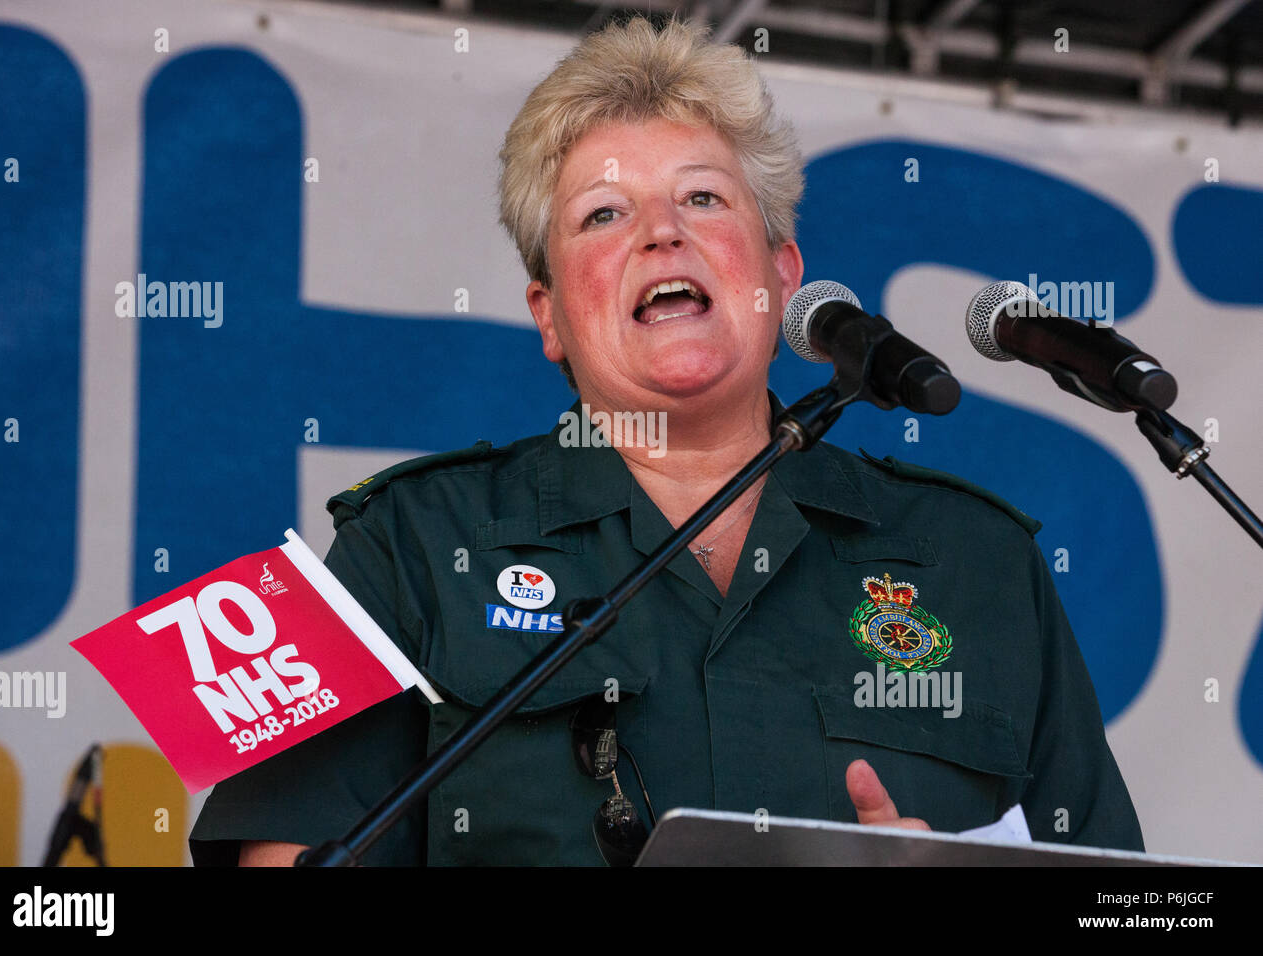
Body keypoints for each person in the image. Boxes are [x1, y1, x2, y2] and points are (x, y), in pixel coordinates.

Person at [190, 15, 1142, 866]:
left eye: (703, 199)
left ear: (781, 275)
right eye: (603, 214)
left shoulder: (979, 562)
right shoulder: (402, 547)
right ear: (550, 314)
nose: (661, 236)